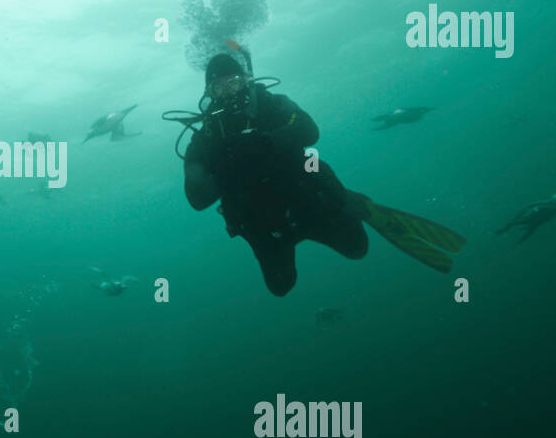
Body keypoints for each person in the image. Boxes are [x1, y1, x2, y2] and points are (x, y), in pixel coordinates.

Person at [182, 46, 465, 296]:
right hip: (263, 227)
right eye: (218, 88)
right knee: (280, 287)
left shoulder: (270, 104)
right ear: (209, 94)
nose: (228, 93)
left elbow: (309, 130)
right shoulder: (205, 138)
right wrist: (225, 171)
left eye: (233, 83)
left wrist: (267, 142)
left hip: (311, 201)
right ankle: (349, 201)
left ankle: (352, 201)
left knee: (358, 249)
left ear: (245, 82)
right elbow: (196, 200)